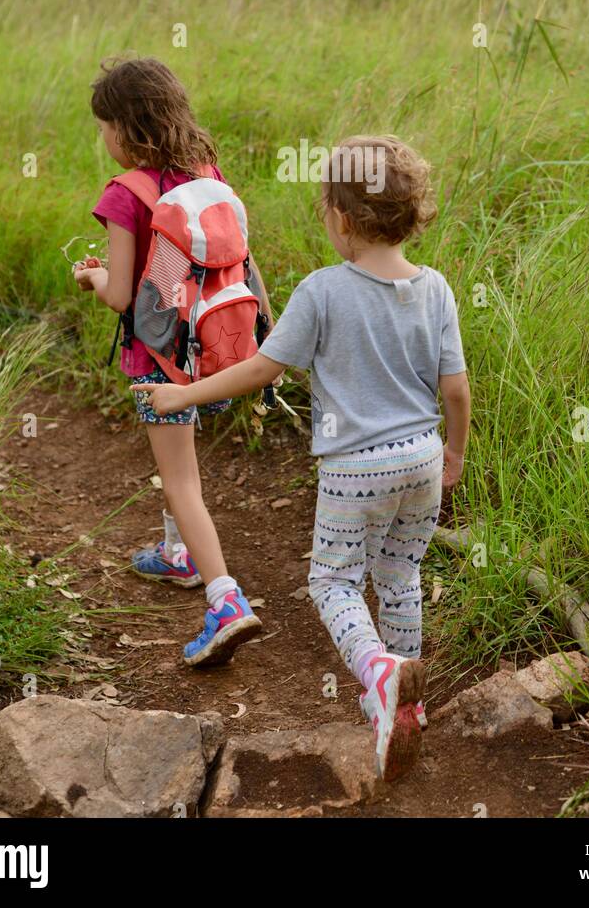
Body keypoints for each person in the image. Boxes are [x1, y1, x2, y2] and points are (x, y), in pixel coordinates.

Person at [133, 134, 471, 779]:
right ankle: (410, 705)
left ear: (342, 220)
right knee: (400, 576)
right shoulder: (437, 290)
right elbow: (455, 388)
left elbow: (261, 369)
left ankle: (378, 676)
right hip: (423, 460)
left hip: (355, 470)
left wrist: (182, 396)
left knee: (333, 582)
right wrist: (453, 453)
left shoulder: (322, 291)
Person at [73, 56, 271, 666]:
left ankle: (224, 600)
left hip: (159, 363)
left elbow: (123, 296)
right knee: (179, 460)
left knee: (180, 478)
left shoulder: (124, 194)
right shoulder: (203, 174)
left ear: (126, 130)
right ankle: (176, 553)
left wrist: (90, 276)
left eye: (104, 126)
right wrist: (268, 327)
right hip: (213, 346)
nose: (102, 137)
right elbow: (228, 262)